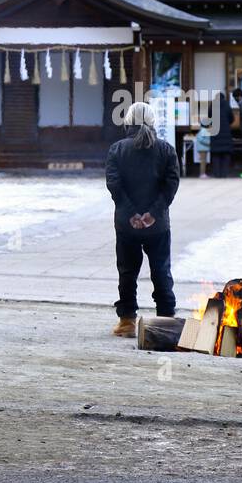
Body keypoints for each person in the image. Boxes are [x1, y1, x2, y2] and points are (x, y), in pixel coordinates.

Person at [105, 101, 180, 337]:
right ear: (153, 121)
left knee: (127, 271)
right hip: (157, 225)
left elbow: (114, 185)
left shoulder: (117, 149)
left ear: (128, 122)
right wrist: (152, 214)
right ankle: (165, 320)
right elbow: (171, 185)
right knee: (161, 270)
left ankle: (127, 321)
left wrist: (132, 214)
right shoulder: (166, 150)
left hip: (126, 225)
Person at [208, 90, 234, 178]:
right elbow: (232, 118)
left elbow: (209, 118)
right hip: (226, 133)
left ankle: (216, 174)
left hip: (215, 133)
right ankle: (224, 174)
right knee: (226, 155)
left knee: (216, 155)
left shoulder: (212, 106)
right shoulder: (227, 105)